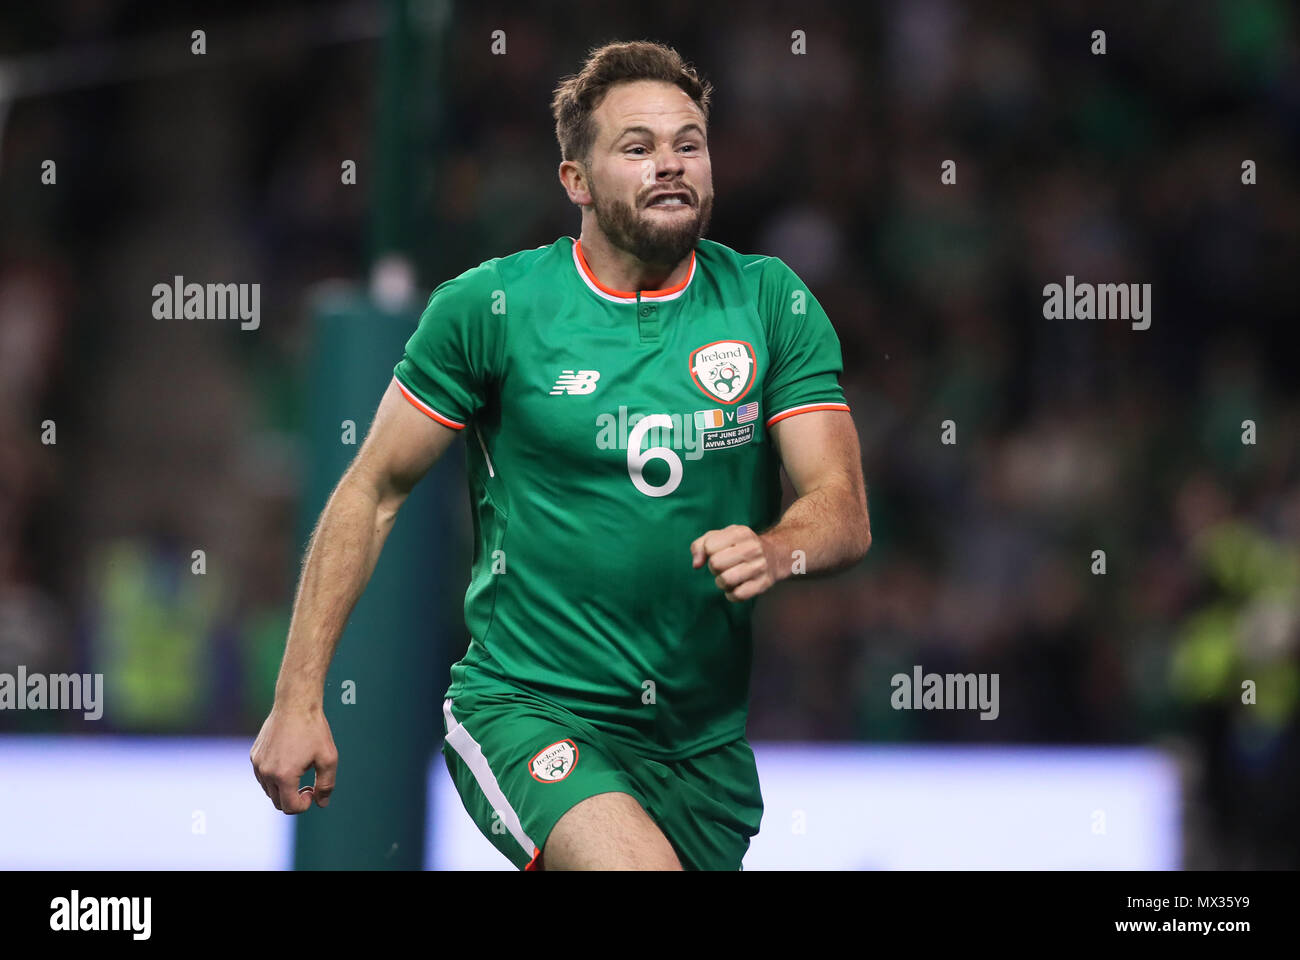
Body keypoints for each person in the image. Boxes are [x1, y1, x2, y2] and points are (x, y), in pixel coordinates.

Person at [251, 40, 871, 870]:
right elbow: (373, 491)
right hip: (527, 708)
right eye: (638, 147)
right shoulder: (491, 309)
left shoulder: (771, 302)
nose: (672, 165)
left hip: (700, 751)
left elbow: (842, 509)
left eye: (689, 143)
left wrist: (775, 546)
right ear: (575, 181)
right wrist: (297, 697)